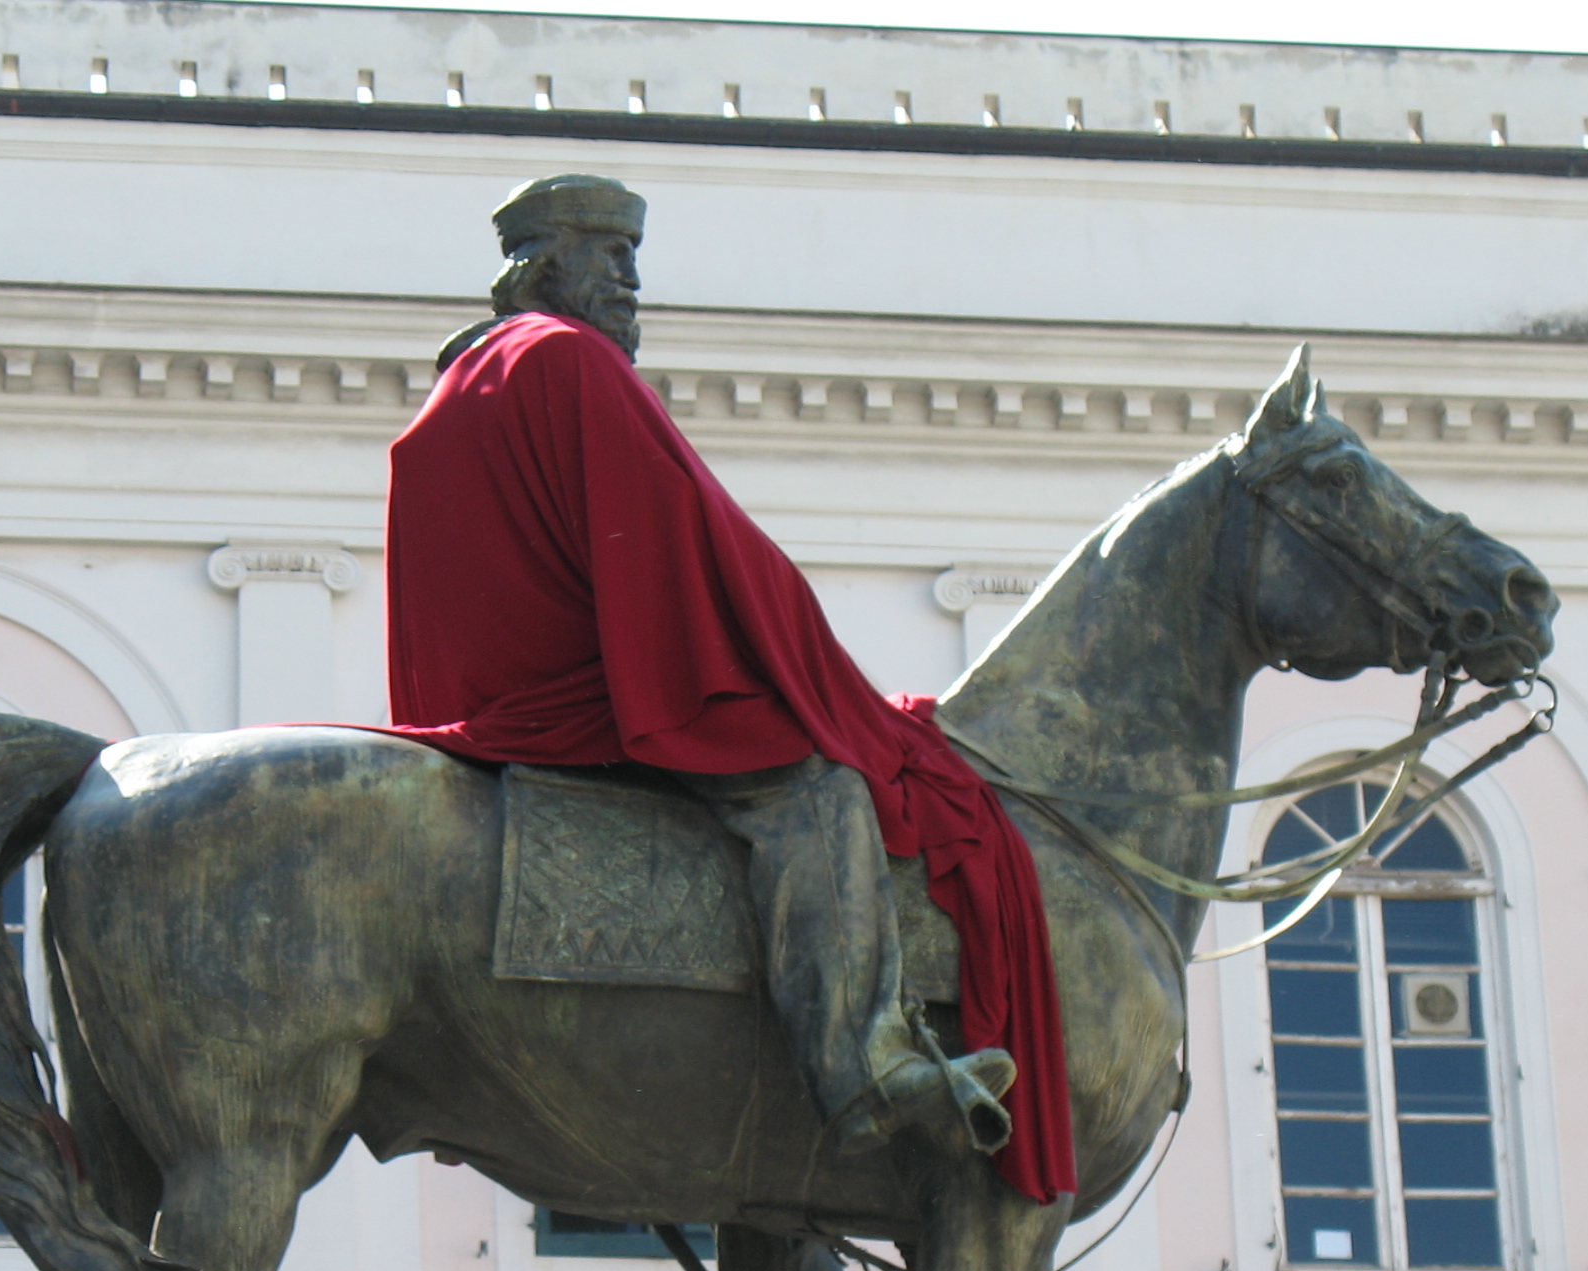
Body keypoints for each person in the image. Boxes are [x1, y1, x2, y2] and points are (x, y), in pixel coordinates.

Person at [382, 173, 1076, 1211]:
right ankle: (866, 1071)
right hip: (588, 703)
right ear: (542, 268)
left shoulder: (464, 381)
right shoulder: (565, 361)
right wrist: (791, 647)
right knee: (817, 797)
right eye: (608, 261)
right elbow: (675, 539)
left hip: (494, 704)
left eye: (631, 263)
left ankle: (778, 1244)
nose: (628, 285)